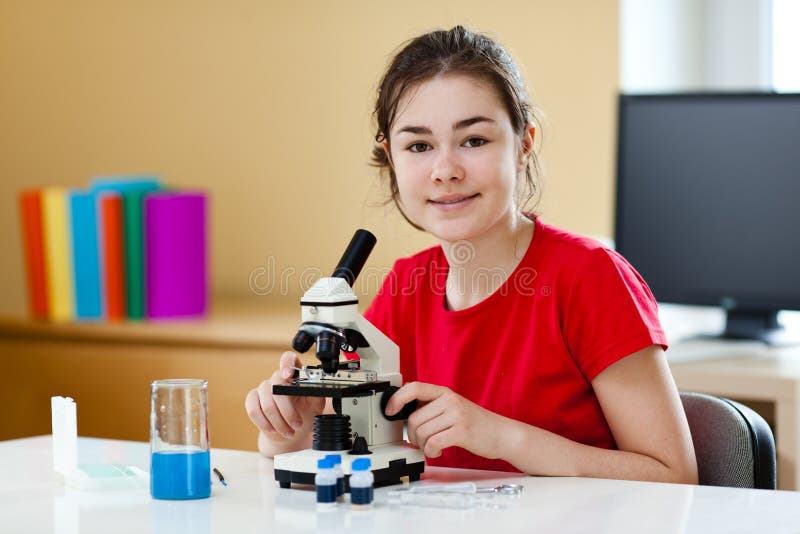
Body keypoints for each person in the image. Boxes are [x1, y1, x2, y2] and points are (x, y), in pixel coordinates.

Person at [245, 26, 698, 484]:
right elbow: (305, 452)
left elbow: (675, 477)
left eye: (474, 140)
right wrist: (290, 426)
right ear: (391, 157)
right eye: (419, 146)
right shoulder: (406, 285)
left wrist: (502, 437)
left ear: (523, 145)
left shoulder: (591, 278)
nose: (445, 170)